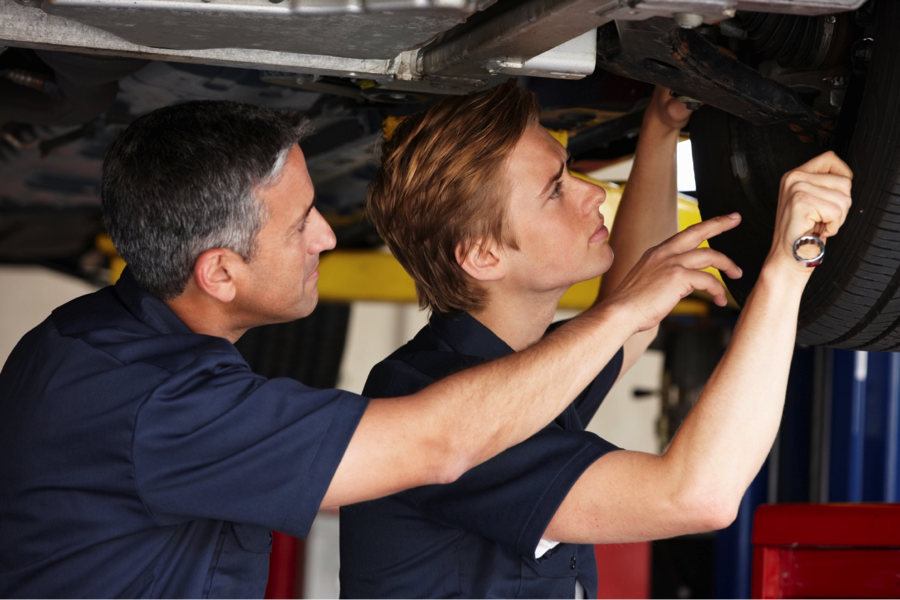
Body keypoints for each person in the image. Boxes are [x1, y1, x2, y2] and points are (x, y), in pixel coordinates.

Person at [0, 99, 744, 599]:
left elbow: (619, 321)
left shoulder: (94, 346)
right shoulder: (163, 404)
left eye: (317, 206)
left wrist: (656, 128)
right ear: (218, 272)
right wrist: (784, 265)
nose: (328, 235)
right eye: (300, 227)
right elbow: (442, 441)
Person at [339, 80, 853, 599]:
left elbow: (630, 319)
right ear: (484, 256)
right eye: (555, 189)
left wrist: (659, 128)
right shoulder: (439, 406)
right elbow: (698, 496)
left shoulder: (517, 367)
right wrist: (790, 263)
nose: (591, 192)